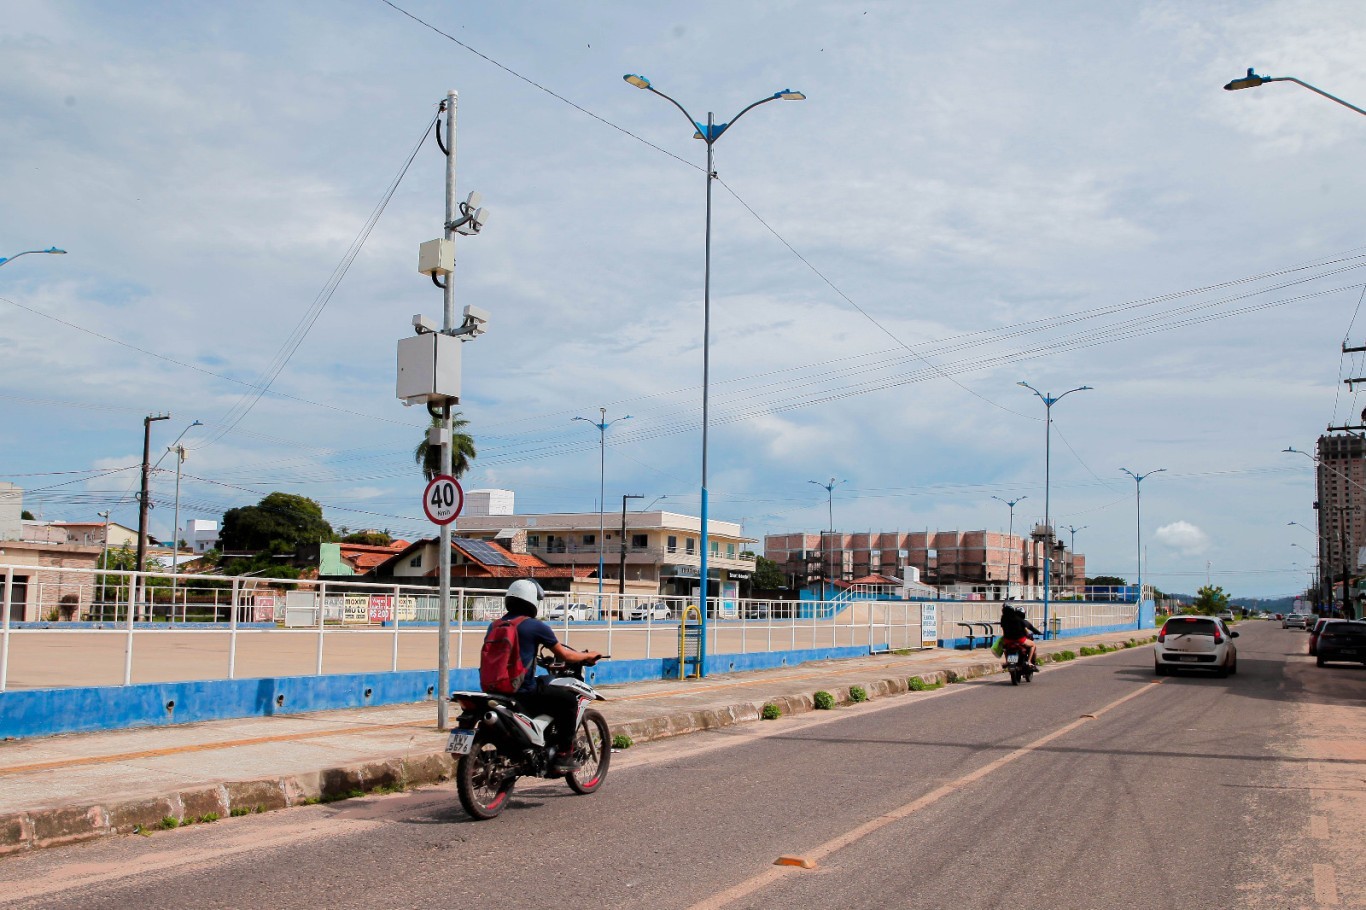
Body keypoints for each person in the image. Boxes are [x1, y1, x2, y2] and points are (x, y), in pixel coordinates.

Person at [496, 578, 603, 774]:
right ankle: (564, 754)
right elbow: (565, 655)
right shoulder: (535, 626)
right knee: (568, 701)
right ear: (532, 601)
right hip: (523, 691)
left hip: (494, 688)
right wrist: (587, 656)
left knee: (545, 686)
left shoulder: (496, 625)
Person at [999, 601, 1043, 669]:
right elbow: (1027, 629)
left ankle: (1007, 661)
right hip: (1019, 639)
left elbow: (1004, 629)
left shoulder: (1003, 619)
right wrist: (1038, 633)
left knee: (1004, 647)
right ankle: (1029, 661)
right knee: (1033, 645)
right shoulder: (1019, 620)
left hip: (1007, 639)